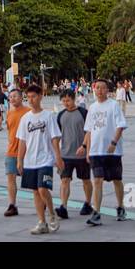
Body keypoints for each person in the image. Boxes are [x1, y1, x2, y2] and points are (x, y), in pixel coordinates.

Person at [14, 84, 60, 235]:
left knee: (42, 188)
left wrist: (58, 157)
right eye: (29, 97)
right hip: (30, 161)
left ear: (40, 96)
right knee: (35, 191)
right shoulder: (25, 119)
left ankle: (52, 213)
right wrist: (20, 160)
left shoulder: (48, 116)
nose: (31, 100)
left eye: (34, 97)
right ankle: (42, 222)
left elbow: (54, 138)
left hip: (45, 159)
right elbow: (22, 141)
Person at [83, 77, 128, 226]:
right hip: (96, 151)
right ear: (94, 89)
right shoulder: (92, 107)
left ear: (108, 90)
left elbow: (120, 125)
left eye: (103, 88)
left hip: (112, 151)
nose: (100, 91)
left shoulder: (113, 105)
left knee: (116, 180)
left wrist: (114, 143)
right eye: (97, 88)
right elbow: (89, 131)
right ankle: (96, 212)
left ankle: (121, 206)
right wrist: (88, 150)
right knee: (97, 181)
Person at [53, 91, 92, 219]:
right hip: (66, 154)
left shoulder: (83, 113)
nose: (66, 103)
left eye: (68, 100)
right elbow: (57, 137)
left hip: (81, 154)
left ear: (74, 99)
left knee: (86, 180)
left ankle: (87, 203)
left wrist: (85, 147)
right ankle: (63, 206)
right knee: (64, 180)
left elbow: (89, 132)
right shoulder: (60, 115)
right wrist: (57, 155)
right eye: (63, 101)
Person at [2, 88, 29, 217]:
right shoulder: (9, 113)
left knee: (33, 179)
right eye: (10, 97)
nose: (12, 99)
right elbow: (9, 131)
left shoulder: (29, 112)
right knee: (11, 177)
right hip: (11, 150)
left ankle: (42, 200)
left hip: (27, 151)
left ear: (21, 97)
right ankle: (12, 205)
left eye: (15, 96)